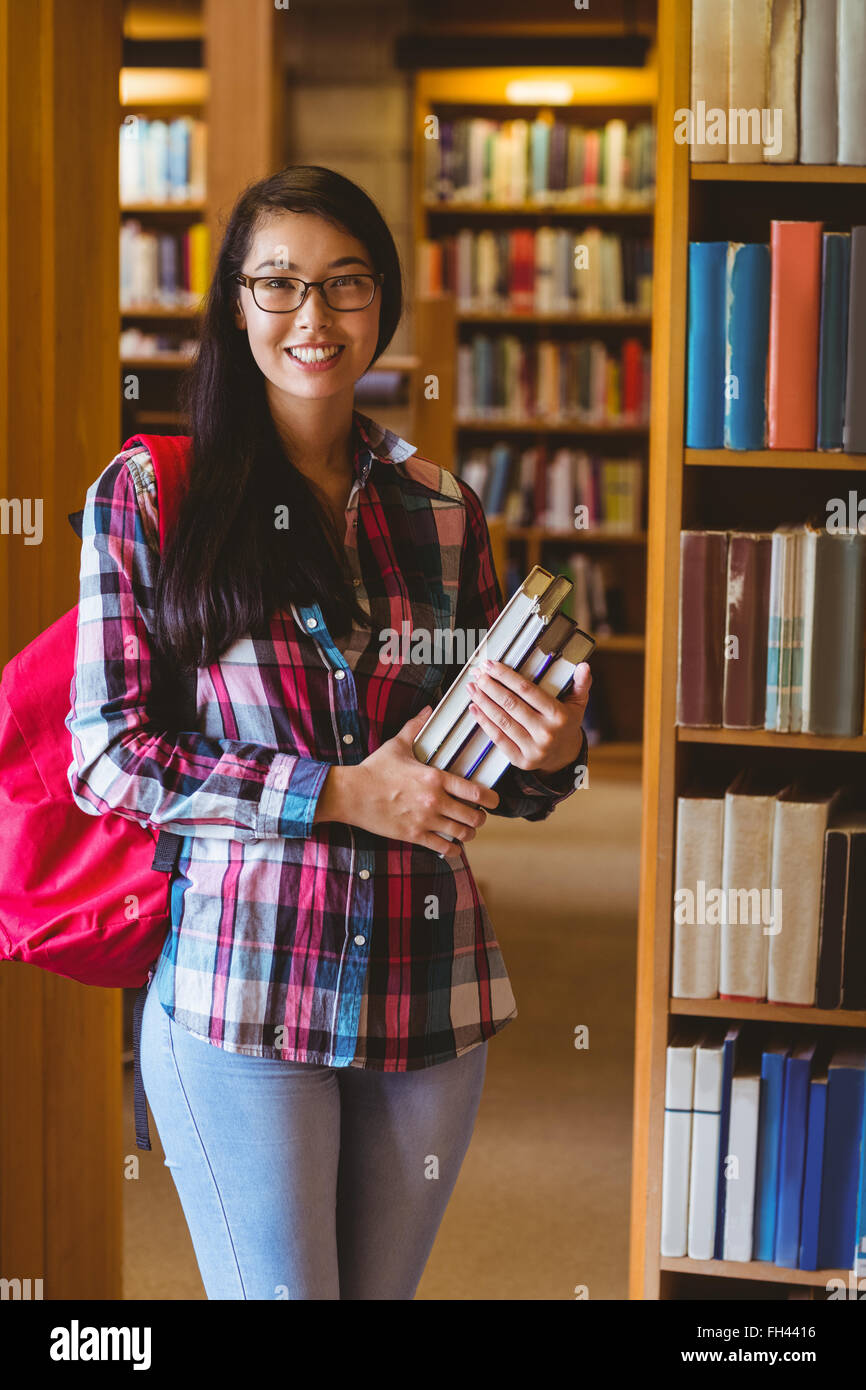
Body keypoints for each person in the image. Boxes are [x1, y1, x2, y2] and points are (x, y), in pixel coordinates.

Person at [67, 165, 591, 1300]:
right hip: (243, 988)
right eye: (279, 283)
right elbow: (106, 759)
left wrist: (551, 754)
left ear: (384, 302)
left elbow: (483, 766)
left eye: (345, 284)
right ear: (235, 303)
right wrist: (339, 792)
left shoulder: (439, 508)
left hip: (426, 986)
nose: (314, 317)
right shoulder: (150, 497)